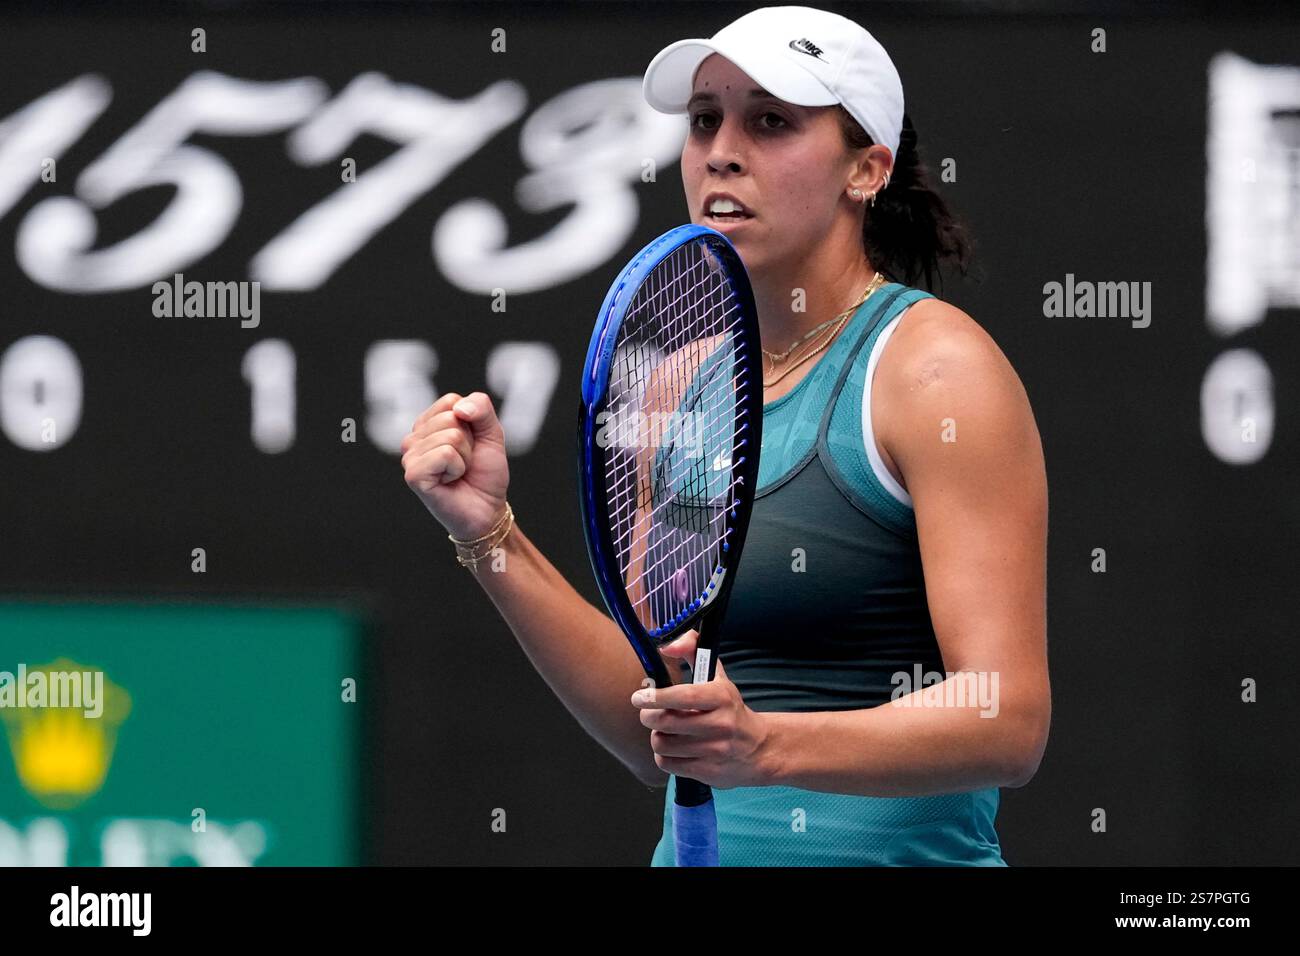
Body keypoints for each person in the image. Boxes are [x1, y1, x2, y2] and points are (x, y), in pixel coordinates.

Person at [400, 5, 1049, 865]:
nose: (721, 150)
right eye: (705, 119)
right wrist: (489, 533)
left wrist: (767, 746)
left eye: (771, 121)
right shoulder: (675, 387)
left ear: (867, 168)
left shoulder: (938, 373)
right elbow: (652, 732)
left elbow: (1010, 720)